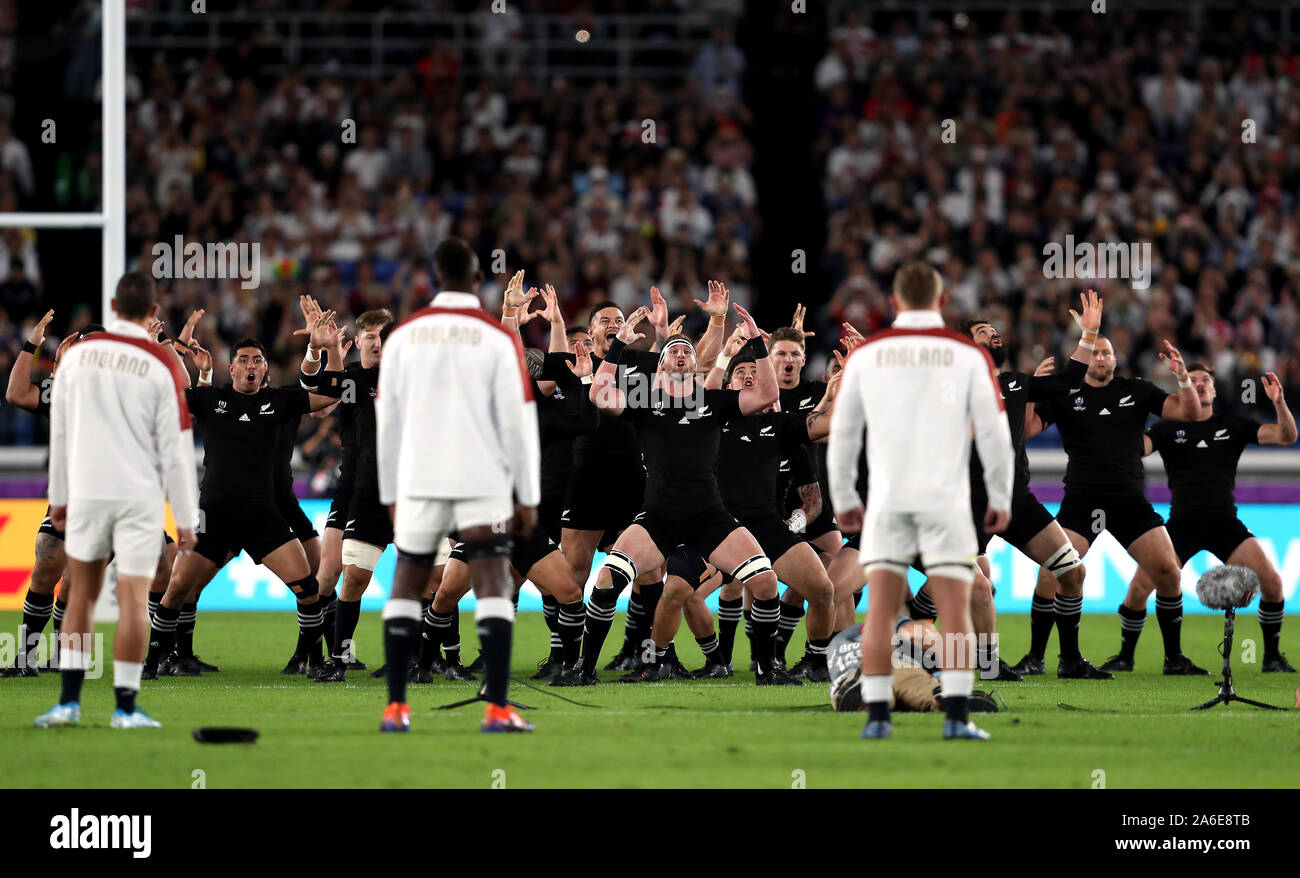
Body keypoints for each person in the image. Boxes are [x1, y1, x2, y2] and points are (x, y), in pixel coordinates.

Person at [828, 261, 1014, 740]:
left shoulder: (868, 354)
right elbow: (994, 435)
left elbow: (844, 434)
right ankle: (955, 717)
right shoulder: (968, 355)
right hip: (946, 501)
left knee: (882, 610)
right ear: (942, 302)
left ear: (893, 303)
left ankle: (877, 720)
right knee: (953, 610)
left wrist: (846, 496)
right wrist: (999, 494)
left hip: (887, 500)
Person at [574, 300, 802, 686]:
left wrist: (759, 347)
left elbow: (765, 394)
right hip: (658, 514)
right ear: (661, 365)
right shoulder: (646, 401)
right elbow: (598, 393)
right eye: (673, 351)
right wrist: (618, 347)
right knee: (609, 578)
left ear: (695, 367)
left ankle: (767, 671)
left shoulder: (713, 401)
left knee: (764, 581)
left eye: (687, 352)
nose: (680, 354)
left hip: (709, 514)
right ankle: (583, 669)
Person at [375, 236, 541, 733]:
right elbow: (519, 420)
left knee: (406, 582)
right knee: (492, 581)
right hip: (481, 478)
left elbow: (388, 421)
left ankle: (396, 708)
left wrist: (389, 495)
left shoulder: (403, 335)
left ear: (434, 276)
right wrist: (527, 494)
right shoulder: (497, 337)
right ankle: (496, 708)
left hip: (420, 479)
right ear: (475, 278)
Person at [35, 271, 198, 729]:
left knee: (81, 596)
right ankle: (125, 708)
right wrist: (185, 518)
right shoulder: (160, 362)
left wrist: (59, 498)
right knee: (131, 599)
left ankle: (67, 704)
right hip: (138, 498)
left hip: (86, 491)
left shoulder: (77, 358)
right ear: (152, 312)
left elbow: (60, 432)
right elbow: (177, 447)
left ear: (111, 305)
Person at [144, 328, 340, 677]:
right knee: (176, 589)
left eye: (258, 360)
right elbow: (162, 395)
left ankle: (315, 661)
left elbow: (330, 394)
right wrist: (155, 351)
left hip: (262, 516)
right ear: (230, 369)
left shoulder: (280, 401)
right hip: (213, 518)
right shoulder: (209, 400)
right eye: (244, 360)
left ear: (266, 370)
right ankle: (153, 661)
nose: (251, 365)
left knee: (308, 587)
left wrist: (332, 349)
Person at [1100, 364, 1297, 673]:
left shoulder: (1234, 425)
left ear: (1215, 390)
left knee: (1272, 582)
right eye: (1192, 381)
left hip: (1224, 523)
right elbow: (1135, 448)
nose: (1200, 385)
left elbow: (1287, 436)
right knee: (1138, 589)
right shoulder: (1166, 429)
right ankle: (1131, 657)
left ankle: (1272, 657)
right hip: (1181, 525)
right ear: (1184, 391)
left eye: (1206, 380)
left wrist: (1279, 402)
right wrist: (1132, 409)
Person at [1032, 334, 1205, 676]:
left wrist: (1182, 376)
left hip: (1129, 501)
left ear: (1115, 359)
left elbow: (1188, 411)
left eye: (1106, 353)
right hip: (1082, 500)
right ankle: (1035, 658)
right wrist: (1033, 390)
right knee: (1051, 573)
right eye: (1094, 353)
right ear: (1083, 359)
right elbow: (1027, 430)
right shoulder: (1066, 396)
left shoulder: (1137, 391)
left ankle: (1174, 659)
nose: (1100, 358)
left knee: (1169, 571)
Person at [298, 305, 396, 682]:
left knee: (430, 574)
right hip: (356, 486)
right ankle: (316, 653)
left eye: (382, 336)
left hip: (402, 488)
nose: (376, 343)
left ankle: (428, 658)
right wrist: (317, 351)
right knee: (334, 575)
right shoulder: (352, 378)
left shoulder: (404, 378)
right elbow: (319, 405)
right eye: (370, 336)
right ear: (359, 341)